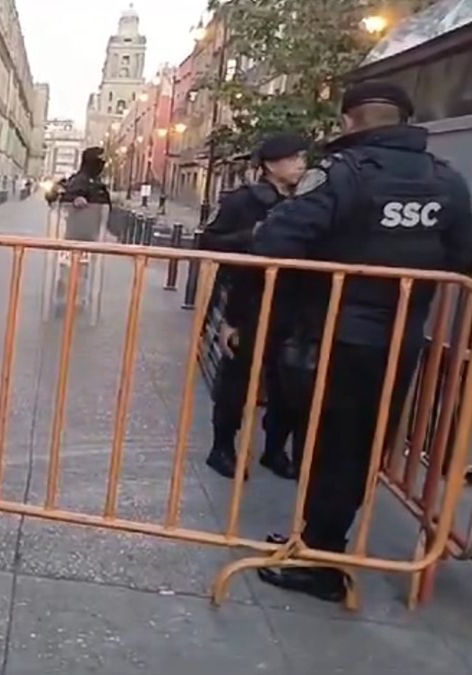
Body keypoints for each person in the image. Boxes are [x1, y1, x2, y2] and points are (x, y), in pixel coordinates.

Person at [252, 82, 472, 602]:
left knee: (329, 447)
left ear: (350, 122)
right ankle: (318, 542)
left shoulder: (339, 175)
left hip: (333, 334)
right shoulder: (446, 181)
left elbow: (274, 241)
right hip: (399, 339)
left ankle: (323, 563)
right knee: (357, 448)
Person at [199, 133, 310, 481]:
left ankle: (275, 450)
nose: (300, 164)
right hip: (249, 301)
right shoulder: (243, 201)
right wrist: (252, 236)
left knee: (288, 383)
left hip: (295, 303)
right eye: (293, 158)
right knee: (237, 379)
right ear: (270, 166)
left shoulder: (310, 199)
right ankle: (222, 448)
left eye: (302, 158)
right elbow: (209, 240)